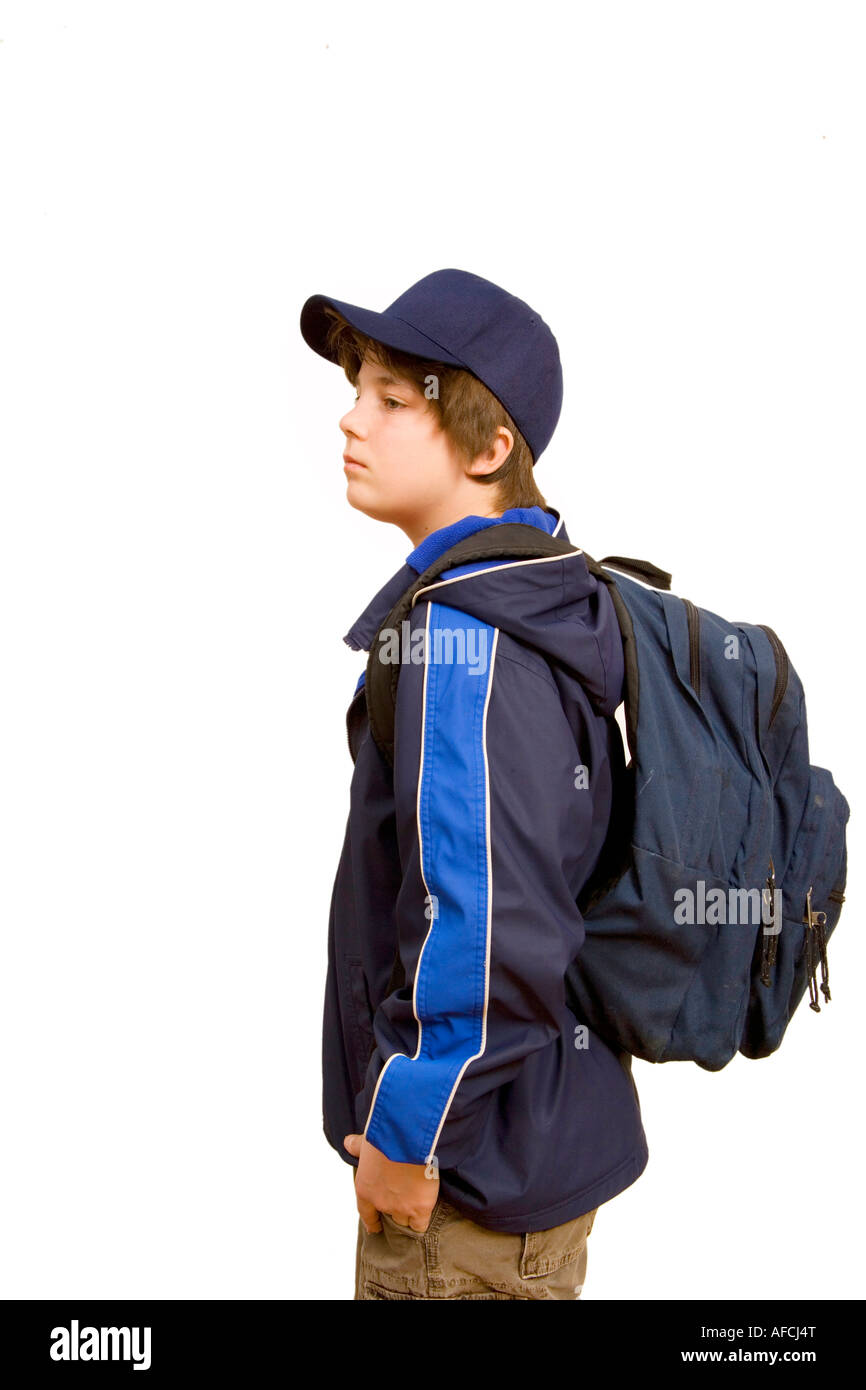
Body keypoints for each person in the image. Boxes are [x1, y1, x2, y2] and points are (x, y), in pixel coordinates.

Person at [299, 268, 649, 1300]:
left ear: (490, 449)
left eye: (393, 399)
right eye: (357, 387)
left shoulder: (467, 636)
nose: (351, 419)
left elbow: (488, 924)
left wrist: (404, 1137)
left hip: (461, 1191)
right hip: (535, 1152)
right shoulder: (547, 593)